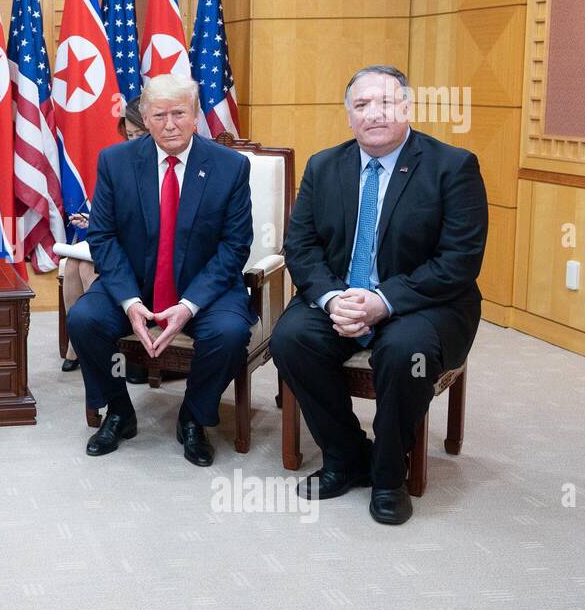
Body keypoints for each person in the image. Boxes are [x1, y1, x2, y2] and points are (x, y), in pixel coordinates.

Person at [270, 65, 488, 525]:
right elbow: (301, 247)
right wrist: (334, 299)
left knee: (404, 351)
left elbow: (459, 262)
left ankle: (389, 475)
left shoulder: (453, 166)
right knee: (291, 338)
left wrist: (381, 302)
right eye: (362, 105)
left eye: (386, 102)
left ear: (407, 107)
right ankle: (347, 456)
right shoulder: (325, 165)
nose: (374, 114)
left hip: (425, 301)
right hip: (341, 296)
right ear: (349, 116)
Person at [67, 74, 255, 465]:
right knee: (84, 319)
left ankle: (193, 416)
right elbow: (103, 236)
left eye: (179, 114)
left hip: (207, 286)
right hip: (136, 281)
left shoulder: (229, 167)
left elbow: (234, 247)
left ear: (196, 116)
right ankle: (119, 411)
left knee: (230, 332)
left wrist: (189, 305)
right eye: (159, 115)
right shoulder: (115, 162)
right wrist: (130, 300)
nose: (170, 124)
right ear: (145, 119)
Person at [61, 103, 148, 374]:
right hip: (117, 240)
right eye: (129, 135)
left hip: (138, 252)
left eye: (139, 134)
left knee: (88, 265)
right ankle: (78, 345)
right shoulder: (118, 161)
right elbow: (112, 214)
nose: (133, 141)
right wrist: (94, 222)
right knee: (74, 262)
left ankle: (116, 349)